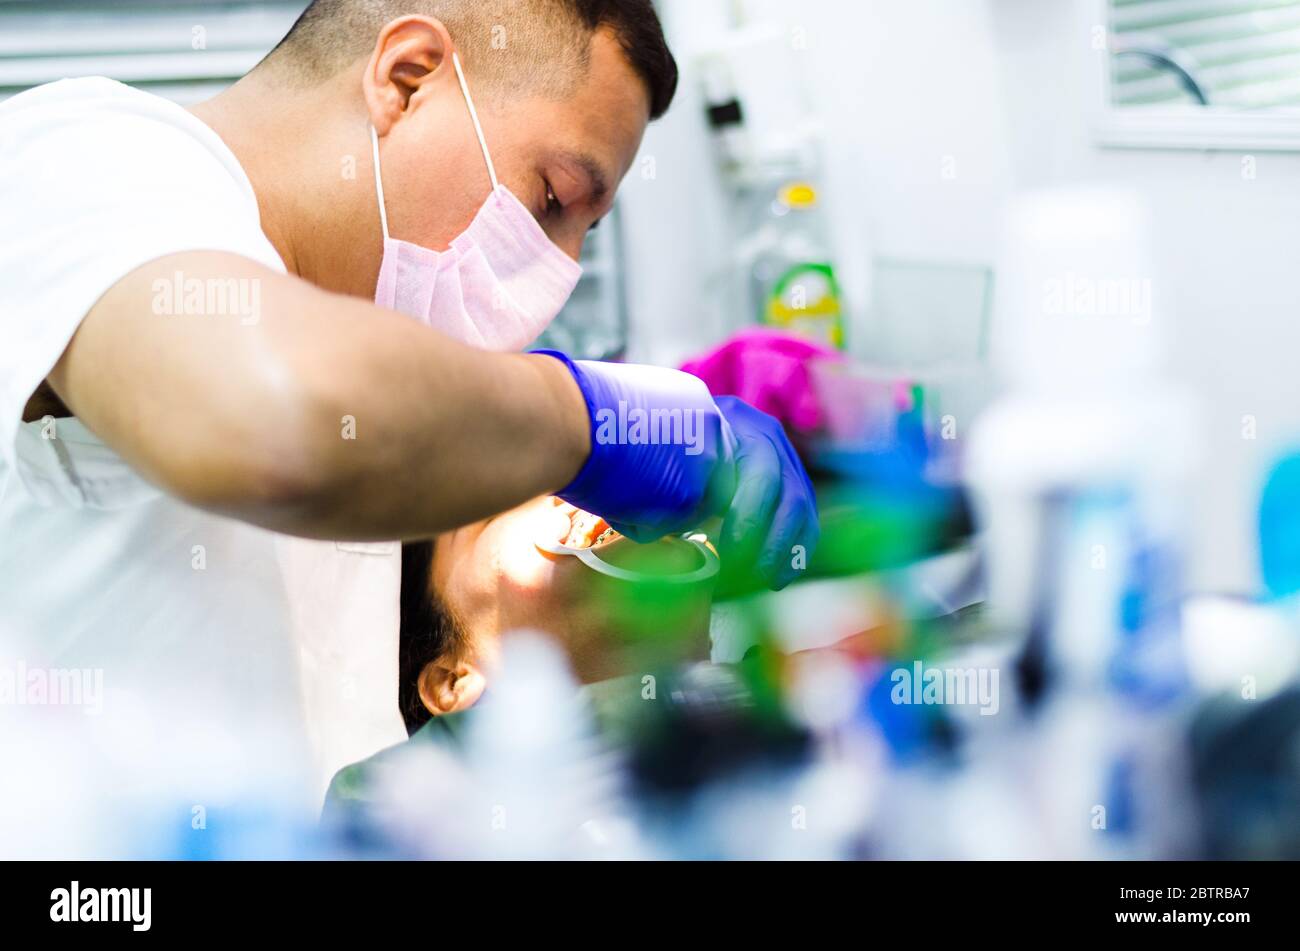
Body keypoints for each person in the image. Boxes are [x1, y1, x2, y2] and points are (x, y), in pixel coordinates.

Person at [0, 0, 817, 845]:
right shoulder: (83, 159)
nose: (560, 272)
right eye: (551, 199)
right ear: (408, 77)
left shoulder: (351, 344)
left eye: (585, 233)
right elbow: (276, 419)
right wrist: (603, 418)